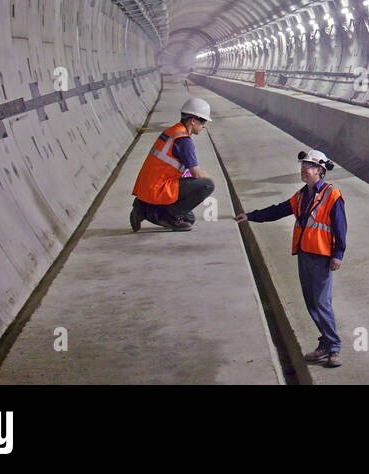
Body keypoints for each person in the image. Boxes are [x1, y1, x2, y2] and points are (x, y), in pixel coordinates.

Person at [235, 150, 346, 367]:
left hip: (323, 256)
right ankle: (325, 343)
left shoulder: (333, 196)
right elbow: (278, 210)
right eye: (302, 166)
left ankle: (334, 348)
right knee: (311, 303)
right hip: (305, 254)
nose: (303, 170)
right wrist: (251, 216)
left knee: (322, 302)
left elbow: (341, 228)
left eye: (308, 166)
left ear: (320, 171)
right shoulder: (301, 195)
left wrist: (338, 254)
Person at [129, 97, 215, 232]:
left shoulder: (173, 131)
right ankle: (169, 216)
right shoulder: (184, 141)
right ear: (193, 121)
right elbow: (196, 174)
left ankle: (143, 209)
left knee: (189, 219)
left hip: (147, 186)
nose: (204, 125)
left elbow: (180, 170)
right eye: (203, 122)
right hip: (158, 188)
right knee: (207, 184)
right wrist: (209, 177)